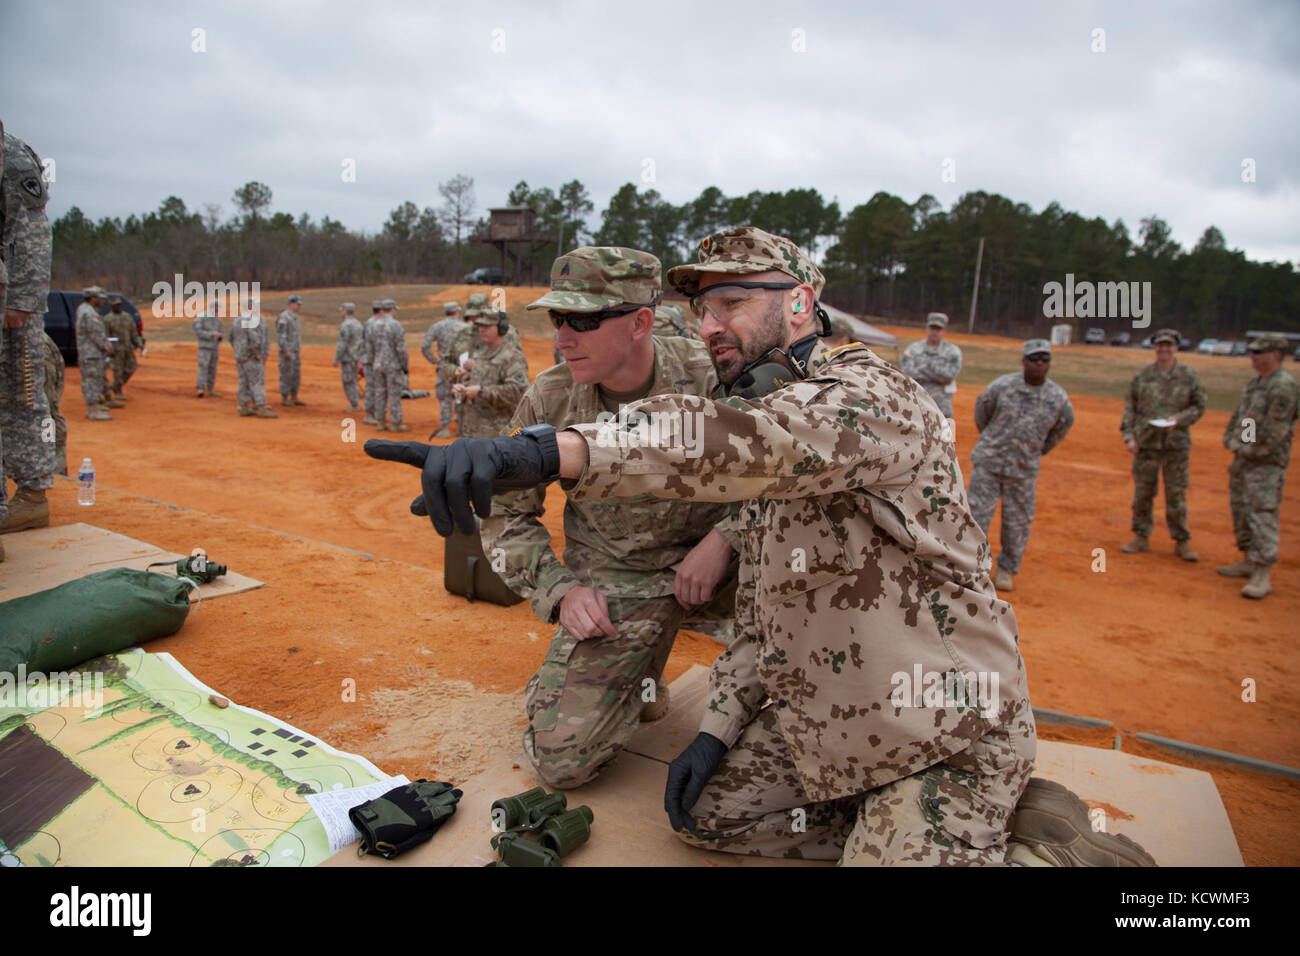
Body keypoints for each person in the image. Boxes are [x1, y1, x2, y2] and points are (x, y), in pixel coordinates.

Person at [366, 227, 1152, 867]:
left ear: (803, 303)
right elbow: (770, 611)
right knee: (703, 815)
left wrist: (548, 451)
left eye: (734, 302)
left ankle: (1026, 845)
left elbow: (738, 442)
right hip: (837, 712)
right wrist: (717, 725)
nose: (711, 326)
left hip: (939, 729)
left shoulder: (867, 395)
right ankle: (915, 830)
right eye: (703, 310)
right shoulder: (764, 400)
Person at [477, 245, 736, 789]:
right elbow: (505, 514)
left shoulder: (709, 379)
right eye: (558, 319)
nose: (563, 338)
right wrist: (561, 590)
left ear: (641, 322)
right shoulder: (550, 397)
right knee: (564, 759)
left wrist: (727, 537)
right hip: (620, 581)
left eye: (585, 321)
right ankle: (626, 668)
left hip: (726, 569)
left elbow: (792, 479)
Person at [967, 339, 1074, 592]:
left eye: (1044, 359)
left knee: (1017, 522)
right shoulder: (1002, 386)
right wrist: (992, 441)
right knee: (976, 517)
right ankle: (972, 568)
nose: (1039, 363)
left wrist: (1037, 450)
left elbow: (1063, 426)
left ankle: (1006, 568)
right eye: (1034, 358)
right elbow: (982, 412)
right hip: (989, 463)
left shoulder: (1057, 398)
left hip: (1023, 470)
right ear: (1023, 360)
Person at [1, 122, 56, 548]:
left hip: (9, 302)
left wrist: (20, 298)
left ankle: (32, 493)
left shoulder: (13, 157)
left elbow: (32, 230)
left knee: (21, 396)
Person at [1218, 333, 1299, 599]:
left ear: (1276, 354)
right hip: (1245, 459)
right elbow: (1244, 418)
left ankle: (1263, 571)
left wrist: (1250, 450)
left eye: (1258, 352)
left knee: (1262, 513)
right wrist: (1234, 439)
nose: (1252, 356)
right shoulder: (1256, 384)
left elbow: (1276, 431)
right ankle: (1249, 559)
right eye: (1251, 351)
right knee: (1241, 509)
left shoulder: (1283, 387)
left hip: (1265, 464)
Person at [1120, 328, 1207, 560]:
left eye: (1168, 345)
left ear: (1176, 348)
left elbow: (1199, 406)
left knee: (1176, 493)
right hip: (1146, 443)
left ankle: (1181, 540)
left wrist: (1179, 420)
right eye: (1160, 345)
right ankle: (1141, 536)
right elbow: (1130, 408)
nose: (1164, 349)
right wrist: (1129, 436)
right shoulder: (1143, 376)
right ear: (1155, 347)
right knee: (1143, 492)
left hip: (1176, 444)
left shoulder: (1188, 376)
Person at [452, 310, 529, 439]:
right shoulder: (480, 354)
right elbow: (478, 381)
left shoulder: (512, 357)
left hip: (498, 436)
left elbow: (518, 391)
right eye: (480, 326)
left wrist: (482, 392)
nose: (482, 330)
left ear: (501, 328)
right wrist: (463, 388)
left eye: (487, 326)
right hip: (473, 433)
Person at [899, 312, 962, 418]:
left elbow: (949, 376)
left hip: (941, 408)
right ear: (927, 328)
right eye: (932, 328)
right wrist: (937, 377)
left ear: (944, 330)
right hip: (914, 405)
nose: (934, 332)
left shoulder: (952, 351)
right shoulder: (914, 348)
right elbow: (906, 373)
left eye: (938, 329)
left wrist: (921, 369)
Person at [421, 300, 466, 437]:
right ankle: (461, 427)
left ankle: (445, 427)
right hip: (461, 366)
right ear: (457, 312)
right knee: (461, 394)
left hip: (444, 365)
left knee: (444, 396)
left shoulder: (437, 327)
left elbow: (425, 345)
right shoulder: (464, 327)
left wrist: (434, 360)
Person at [366, 298, 408, 432]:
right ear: (392, 309)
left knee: (379, 393)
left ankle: (380, 421)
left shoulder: (373, 324)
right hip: (393, 365)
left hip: (377, 364)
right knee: (394, 394)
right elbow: (400, 348)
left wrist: (373, 361)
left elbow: (369, 347)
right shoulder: (395, 325)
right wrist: (404, 365)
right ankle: (395, 423)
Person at [230, 297, 276, 418]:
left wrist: (238, 350)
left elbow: (231, 338)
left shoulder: (237, 321)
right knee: (257, 381)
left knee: (244, 381)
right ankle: (260, 406)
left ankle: (243, 406)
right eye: (255, 305)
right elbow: (255, 340)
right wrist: (257, 353)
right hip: (252, 356)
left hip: (240, 356)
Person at [75, 286, 114, 420]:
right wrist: (106, 346)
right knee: (92, 380)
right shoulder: (89, 313)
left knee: (91, 379)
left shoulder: (83, 309)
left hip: (88, 352)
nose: (102, 301)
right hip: (91, 353)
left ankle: (94, 407)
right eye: (99, 298)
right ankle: (93, 410)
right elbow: (96, 334)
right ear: (92, 298)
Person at [103, 294, 142, 402]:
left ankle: (116, 386)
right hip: (116, 349)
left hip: (127, 347)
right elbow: (105, 336)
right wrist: (108, 348)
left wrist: (139, 343)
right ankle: (117, 389)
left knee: (132, 367)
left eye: (119, 305)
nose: (118, 307)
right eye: (116, 305)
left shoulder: (127, 317)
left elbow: (134, 332)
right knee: (118, 371)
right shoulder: (107, 319)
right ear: (111, 306)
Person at [41, 330, 66, 477]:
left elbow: (47, 404)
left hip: (44, 418)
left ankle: (54, 474)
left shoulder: (38, 343)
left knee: (48, 424)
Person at [333, 301, 363, 412]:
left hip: (347, 357)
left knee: (347, 381)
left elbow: (342, 344)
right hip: (355, 356)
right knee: (353, 380)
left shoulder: (345, 325)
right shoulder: (358, 323)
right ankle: (356, 402)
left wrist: (337, 358)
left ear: (345, 311)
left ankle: (354, 404)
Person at [276, 294, 304, 406]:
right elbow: (281, 335)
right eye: (297, 304)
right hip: (287, 351)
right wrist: (285, 350)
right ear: (291, 304)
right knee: (286, 373)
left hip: (296, 350)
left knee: (296, 374)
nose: (299, 306)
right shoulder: (284, 317)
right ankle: (284, 397)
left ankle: (294, 396)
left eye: (299, 304)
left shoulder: (297, 317)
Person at [193, 301, 223, 397]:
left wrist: (219, 336)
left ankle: (210, 389)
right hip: (205, 347)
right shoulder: (201, 318)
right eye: (215, 309)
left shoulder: (218, 320)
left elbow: (221, 332)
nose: (216, 311)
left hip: (214, 347)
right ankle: (200, 389)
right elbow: (198, 331)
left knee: (212, 368)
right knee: (203, 367)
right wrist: (211, 334)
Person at [362, 299, 383, 426]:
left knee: (375, 387)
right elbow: (370, 345)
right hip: (370, 360)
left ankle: (373, 412)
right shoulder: (372, 323)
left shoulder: (371, 322)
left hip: (373, 359)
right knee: (371, 387)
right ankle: (369, 414)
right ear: (381, 311)